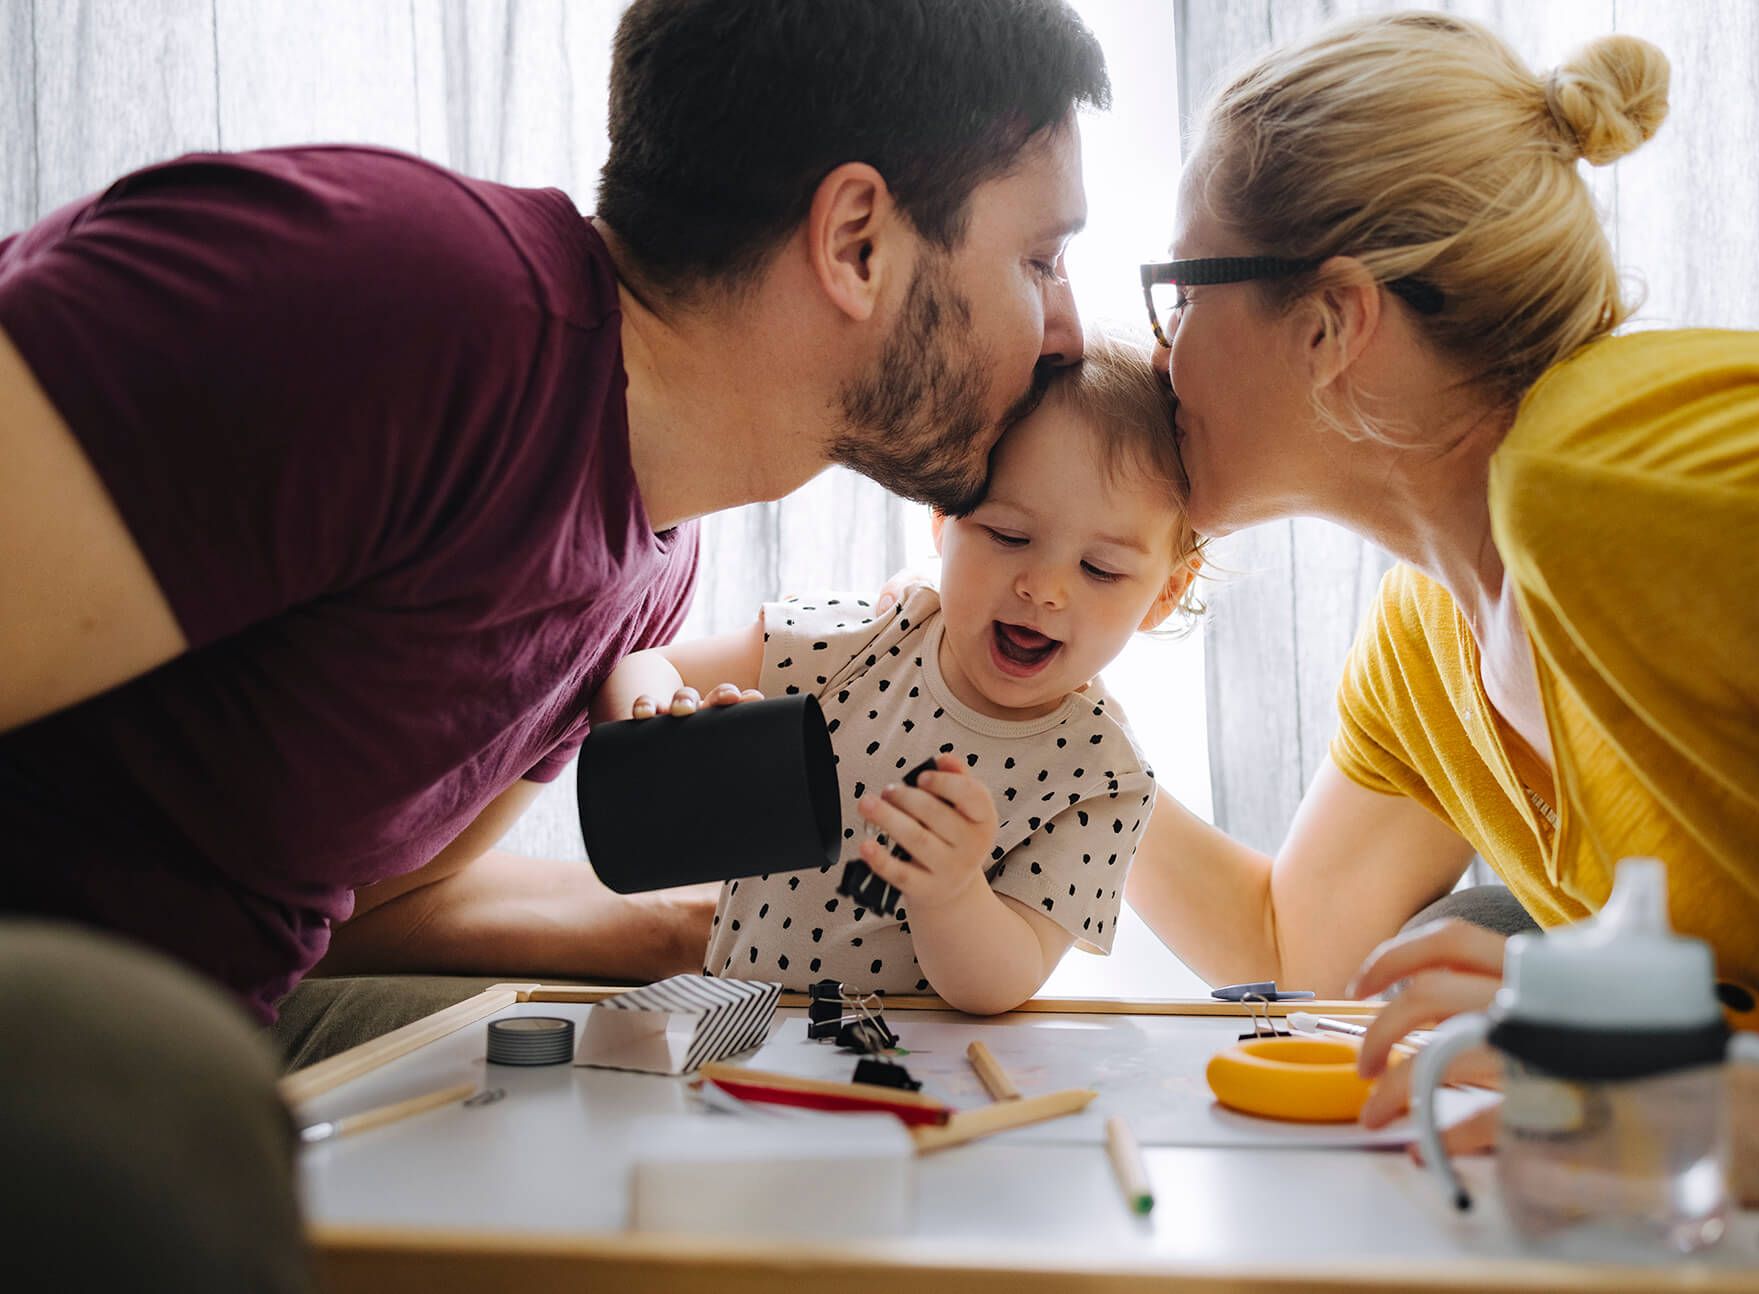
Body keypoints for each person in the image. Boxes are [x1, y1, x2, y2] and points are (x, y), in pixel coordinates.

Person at [0, 1, 1107, 1283]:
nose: (1066, 331)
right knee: (143, 1080)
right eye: (1039, 259)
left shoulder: (650, 558)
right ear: (856, 239)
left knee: (678, 1089)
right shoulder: (404, 300)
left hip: (215, 1026)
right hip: (101, 1059)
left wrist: (703, 936)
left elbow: (382, 905)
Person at [1124, 11, 1759, 1198]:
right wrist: (1028, 717)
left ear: (1330, 321)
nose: (1159, 356)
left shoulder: (1619, 474)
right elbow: (1292, 949)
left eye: (1181, 292)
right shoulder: (1426, 645)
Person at [599, 334, 1200, 1014]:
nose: (1045, 589)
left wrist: (951, 893)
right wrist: (654, 724)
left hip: (913, 1075)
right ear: (944, 520)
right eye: (1007, 535)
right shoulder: (861, 640)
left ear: (1162, 594)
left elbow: (1005, 981)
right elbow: (645, 663)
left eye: (1100, 570)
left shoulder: (1103, 779)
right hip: (741, 1029)